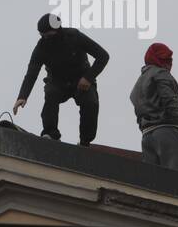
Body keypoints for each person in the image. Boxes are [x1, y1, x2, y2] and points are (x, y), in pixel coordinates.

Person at [13, 13, 110, 145]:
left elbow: (103, 56)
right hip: (57, 83)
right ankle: (51, 134)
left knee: (90, 102)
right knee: (51, 95)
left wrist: (88, 78)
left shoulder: (74, 36)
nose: (46, 38)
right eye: (43, 36)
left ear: (57, 31)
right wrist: (22, 96)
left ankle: (85, 142)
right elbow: (31, 73)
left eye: (49, 35)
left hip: (82, 80)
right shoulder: (41, 47)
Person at [128, 42, 178, 170]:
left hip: (147, 137)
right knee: (176, 180)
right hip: (168, 133)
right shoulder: (161, 74)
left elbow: (153, 109)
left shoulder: (140, 81)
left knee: (153, 184)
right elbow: (169, 102)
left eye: (170, 60)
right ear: (157, 59)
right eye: (166, 59)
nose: (169, 63)